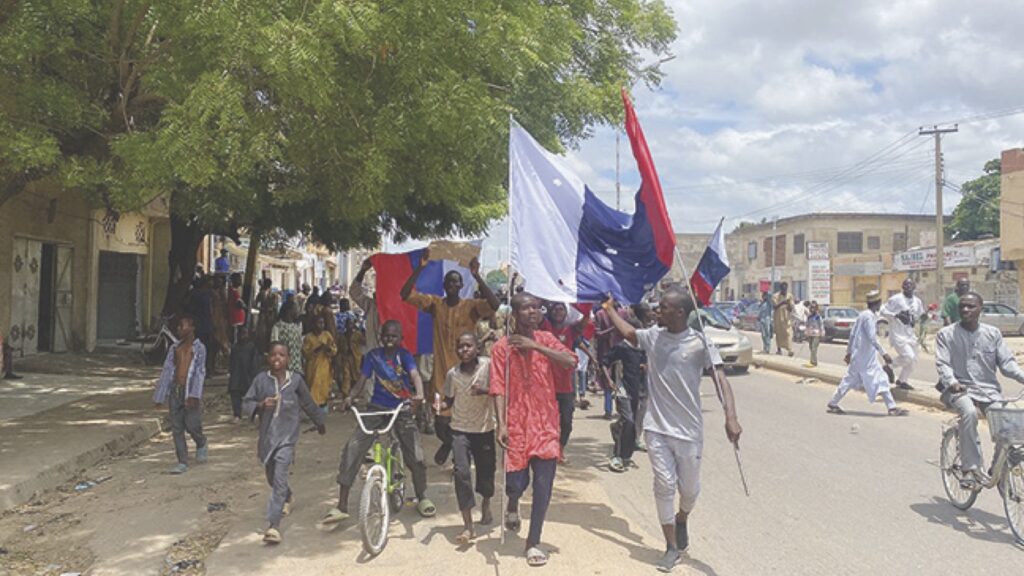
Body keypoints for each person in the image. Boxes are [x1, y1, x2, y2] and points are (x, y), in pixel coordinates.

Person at [603, 288, 742, 573]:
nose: (657, 310)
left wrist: (731, 416)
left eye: (663, 307)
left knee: (689, 490)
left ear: (680, 312)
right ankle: (671, 547)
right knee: (664, 485)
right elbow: (630, 334)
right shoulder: (654, 336)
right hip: (656, 427)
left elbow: (721, 380)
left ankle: (682, 518)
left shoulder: (700, 343)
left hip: (689, 431)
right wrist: (609, 310)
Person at [320, 320, 435, 527]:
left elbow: (415, 375)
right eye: (386, 335)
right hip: (377, 408)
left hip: (402, 408)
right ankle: (342, 505)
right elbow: (362, 380)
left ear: (401, 339)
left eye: (394, 336)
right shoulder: (373, 356)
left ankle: (422, 495)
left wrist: (418, 395)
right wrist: (349, 397)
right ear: (380, 336)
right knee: (353, 448)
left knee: (416, 455)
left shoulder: (405, 356)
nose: (389, 340)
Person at [491, 292, 577, 567]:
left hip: (545, 423)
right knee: (516, 482)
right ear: (514, 313)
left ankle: (533, 541)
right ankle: (513, 503)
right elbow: (497, 388)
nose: (533, 312)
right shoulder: (501, 348)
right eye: (526, 308)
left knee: (543, 485)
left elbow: (570, 361)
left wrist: (537, 346)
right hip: (516, 424)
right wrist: (501, 424)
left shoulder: (547, 339)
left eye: (536, 308)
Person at [401, 250, 499, 459]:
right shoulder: (436, 305)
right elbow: (406, 295)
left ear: (462, 286)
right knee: (440, 421)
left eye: (457, 282)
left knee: (465, 418)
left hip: (467, 375)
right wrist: (420, 267)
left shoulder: (471, 307)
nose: (453, 285)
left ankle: (460, 455)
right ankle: (450, 444)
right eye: (449, 282)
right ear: (445, 286)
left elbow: (494, 305)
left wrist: (477, 275)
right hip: (441, 375)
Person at [936, 292, 1024, 488]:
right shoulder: (946, 334)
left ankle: (998, 467)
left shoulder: (993, 334)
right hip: (958, 390)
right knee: (969, 412)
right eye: (963, 306)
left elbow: (1008, 365)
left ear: (980, 310)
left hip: (988, 391)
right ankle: (970, 468)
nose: (966, 310)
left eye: (971, 306)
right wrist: (951, 382)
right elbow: (943, 364)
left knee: (1008, 418)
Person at [242, 341, 326, 544]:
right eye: (273, 355)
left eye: (281, 355)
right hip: (268, 439)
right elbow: (246, 403)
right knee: (272, 477)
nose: (277, 359)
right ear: (268, 358)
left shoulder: (295, 381)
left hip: (287, 438)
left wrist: (319, 422)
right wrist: (261, 405)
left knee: (279, 476)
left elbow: (307, 402)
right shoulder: (261, 380)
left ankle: (273, 525)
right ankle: (288, 496)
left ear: (288, 358)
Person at [440, 333, 496, 545]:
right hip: (459, 429)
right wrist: (439, 407)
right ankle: (468, 526)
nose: (464, 350)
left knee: (486, 472)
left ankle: (486, 503)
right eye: (460, 347)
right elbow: (448, 401)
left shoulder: (488, 366)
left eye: (468, 346)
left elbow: (501, 390)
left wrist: (484, 390)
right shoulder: (452, 374)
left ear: (477, 349)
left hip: (484, 429)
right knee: (461, 473)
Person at [827, 291, 908, 417]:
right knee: (880, 380)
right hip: (866, 359)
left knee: (850, 380)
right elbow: (872, 337)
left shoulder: (862, 315)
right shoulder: (869, 317)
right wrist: (884, 353)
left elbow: (853, 334)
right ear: (877, 303)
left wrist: (849, 352)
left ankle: (833, 402)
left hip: (861, 356)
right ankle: (892, 408)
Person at [153, 314, 209, 474]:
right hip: (175, 391)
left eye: (181, 326)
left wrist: (194, 395)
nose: (178, 329)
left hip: (190, 390)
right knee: (176, 428)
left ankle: (201, 441)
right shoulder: (174, 348)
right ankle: (182, 461)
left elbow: (199, 372)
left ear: (191, 328)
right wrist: (160, 396)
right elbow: (167, 372)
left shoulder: (199, 349)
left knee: (192, 425)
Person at [541, 302, 588, 459]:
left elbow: (584, 323)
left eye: (561, 309)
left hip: (566, 385)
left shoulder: (571, 330)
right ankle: (549, 448)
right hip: (547, 384)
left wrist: (589, 306)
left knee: (566, 421)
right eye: (555, 308)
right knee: (547, 419)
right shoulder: (545, 326)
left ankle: (561, 447)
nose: (558, 311)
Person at [603, 316, 647, 473]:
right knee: (628, 421)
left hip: (640, 390)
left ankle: (625, 450)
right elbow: (604, 362)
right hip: (622, 389)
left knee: (633, 423)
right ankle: (617, 456)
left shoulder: (643, 348)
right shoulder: (622, 347)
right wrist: (609, 380)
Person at [882, 278, 926, 390]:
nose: (908, 287)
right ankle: (889, 367)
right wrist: (896, 315)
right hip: (898, 334)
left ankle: (902, 381)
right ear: (902, 286)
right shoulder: (896, 299)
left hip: (910, 334)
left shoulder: (917, 301)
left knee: (914, 360)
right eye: (905, 284)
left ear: (914, 287)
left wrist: (926, 317)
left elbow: (920, 316)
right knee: (908, 356)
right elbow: (883, 310)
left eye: (910, 285)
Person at [302, 315, 337, 409]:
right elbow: (305, 353)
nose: (321, 325)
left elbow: (334, 350)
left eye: (322, 323)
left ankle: (322, 406)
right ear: (313, 324)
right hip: (312, 367)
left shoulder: (327, 335)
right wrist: (318, 348)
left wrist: (328, 349)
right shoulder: (308, 337)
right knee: (312, 386)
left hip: (325, 366)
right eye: (319, 323)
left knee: (324, 386)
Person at [228, 326, 260, 423]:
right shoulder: (234, 348)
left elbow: (255, 364)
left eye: (245, 333)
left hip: (248, 376)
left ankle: (254, 414)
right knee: (235, 395)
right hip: (236, 376)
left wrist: (254, 376)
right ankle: (237, 415)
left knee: (251, 396)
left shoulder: (252, 347)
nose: (243, 336)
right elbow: (231, 363)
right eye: (241, 334)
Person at [350, 259, 382, 351]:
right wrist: (363, 271)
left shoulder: (394, 309)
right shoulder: (372, 306)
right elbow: (354, 292)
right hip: (372, 354)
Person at [271, 301, 304, 374]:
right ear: (289, 311)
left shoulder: (297, 326)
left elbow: (300, 346)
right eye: (295, 309)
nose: (297, 311)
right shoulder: (277, 327)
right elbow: (274, 346)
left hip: (296, 367)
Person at [336, 316, 364, 397]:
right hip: (346, 358)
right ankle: (346, 393)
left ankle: (354, 393)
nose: (349, 326)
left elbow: (363, 341)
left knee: (355, 376)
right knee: (346, 375)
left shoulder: (357, 334)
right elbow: (339, 348)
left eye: (351, 324)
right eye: (348, 324)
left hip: (355, 358)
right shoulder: (342, 336)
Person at [255, 278, 280, 353]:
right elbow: (256, 305)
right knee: (265, 333)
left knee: (266, 333)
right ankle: (265, 349)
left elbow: (255, 305)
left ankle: (266, 349)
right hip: (267, 315)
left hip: (267, 315)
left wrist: (262, 309)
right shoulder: (271, 294)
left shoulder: (271, 294)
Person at [772, 283, 794, 356]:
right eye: (783, 289)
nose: (784, 291)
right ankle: (779, 349)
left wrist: (788, 304)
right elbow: (775, 306)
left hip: (787, 318)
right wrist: (783, 302)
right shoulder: (775, 296)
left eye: (786, 289)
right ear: (781, 289)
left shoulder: (789, 296)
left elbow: (791, 309)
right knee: (779, 334)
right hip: (778, 318)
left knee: (789, 333)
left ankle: (790, 350)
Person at [803, 302, 824, 368]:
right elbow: (807, 324)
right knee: (811, 347)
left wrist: (822, 332)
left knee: (814, 348)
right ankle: (812, 360)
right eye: (811, 307)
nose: (812, 309)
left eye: (814, 308)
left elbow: (821, 325)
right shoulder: (809, 317)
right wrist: (806, 331)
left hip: (816, 334)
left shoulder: (818, 317)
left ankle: (814, 362)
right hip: (810, 334)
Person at [228, 273, 247, 343]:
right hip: (236, 318)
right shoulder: (235, 292)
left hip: (234, 317)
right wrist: (244, 306)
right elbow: (240, 304)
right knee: (235, 337)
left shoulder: (231, 291)